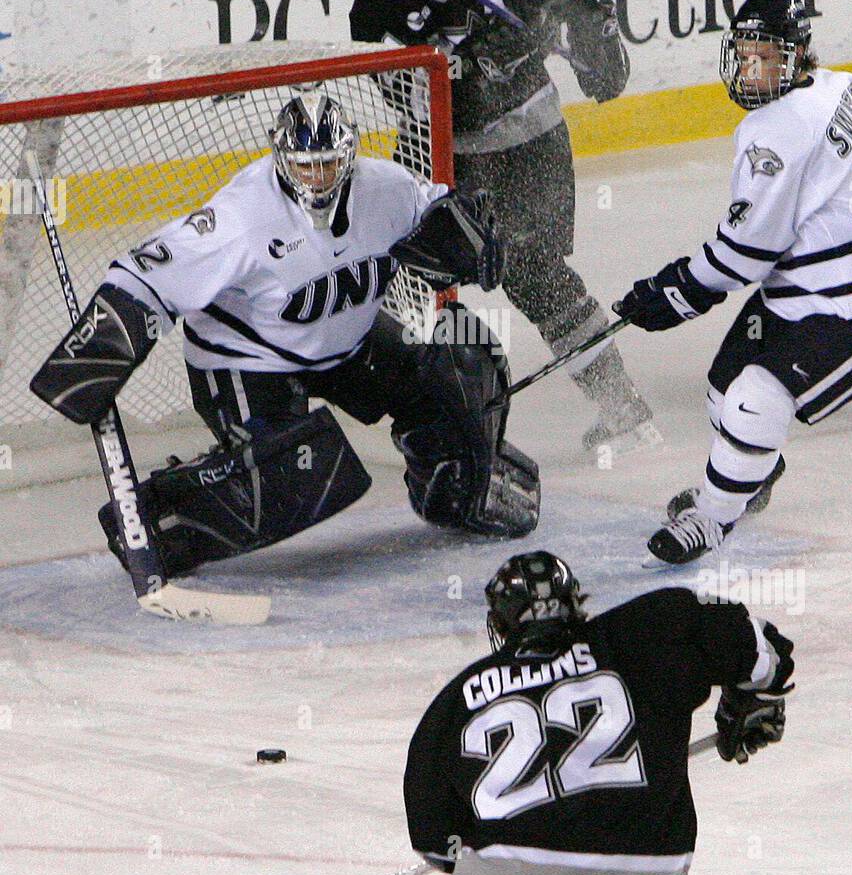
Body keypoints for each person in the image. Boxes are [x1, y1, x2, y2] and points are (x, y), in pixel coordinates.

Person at [30, 90, 541, 578]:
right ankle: (162, 511)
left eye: (328, 163)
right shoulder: (242, 217)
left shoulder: (387, 188)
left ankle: (450, 479)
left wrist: (468, 228)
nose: (317, 177)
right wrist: (97, 354)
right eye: (304, 165)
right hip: (249, 363)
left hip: (351, 343)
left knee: (467, 356)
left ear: (349, 156)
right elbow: (147, 272)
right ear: (281, 158)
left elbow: (439, 206)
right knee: (293, 479)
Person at [350, 0, 657, 453]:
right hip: (447, 161)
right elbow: (405, 97)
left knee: (537, 277)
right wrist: (465, 68)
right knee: (412, 284)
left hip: (532, 145)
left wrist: (592, 37)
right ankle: (440, 421)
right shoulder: (376, 3)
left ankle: (623, 407)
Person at [613, 0, 852, 565]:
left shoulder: (775, 132)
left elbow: (748, 253)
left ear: (798, 56)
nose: (750, 68)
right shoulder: (845, 85)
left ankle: (713, 517)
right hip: (808, 283)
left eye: (765, 56)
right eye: (744, 53)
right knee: (724, 389)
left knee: (753, 400)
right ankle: (750, 475)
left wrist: (675, 290)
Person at [396, 549, 794, 875]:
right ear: (577, 605)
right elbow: (756, 643)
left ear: (501, 623)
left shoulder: (456, 701)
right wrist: (754, 701)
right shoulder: (646, 630)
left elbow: (436, 839)